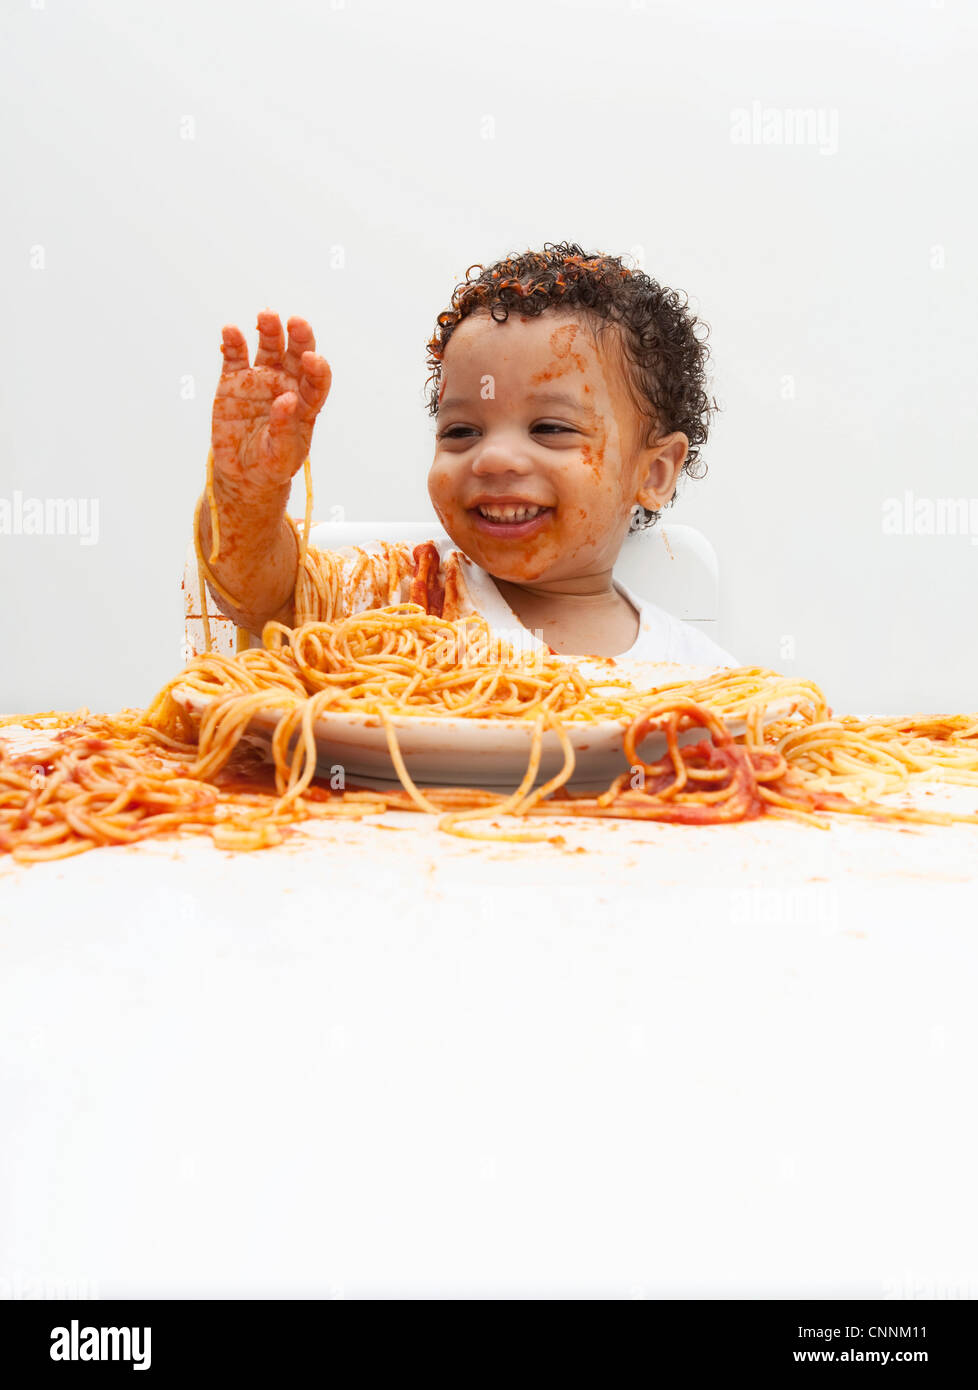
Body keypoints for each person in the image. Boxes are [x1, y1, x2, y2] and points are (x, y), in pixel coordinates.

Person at [197, 242, 737, 665]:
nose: (493, 458)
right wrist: (246, 491)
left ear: (654, 472)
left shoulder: (697, 678)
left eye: (549, 428)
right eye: (461, 431)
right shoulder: (402, 596)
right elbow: (259, 594)